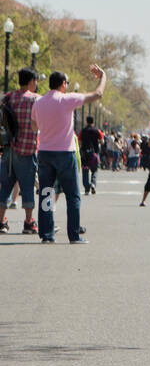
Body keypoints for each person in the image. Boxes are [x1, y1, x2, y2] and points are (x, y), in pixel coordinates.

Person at [32, 66, 106, 243]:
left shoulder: (39, 102)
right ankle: (73, 235)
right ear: (63, 84)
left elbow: (35, 127)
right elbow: (97, 94)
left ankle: (47, 234)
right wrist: (103, 77)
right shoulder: (67, 100)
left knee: (46, 193)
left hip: (45, 152)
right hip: (65, 153)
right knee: (72, 196)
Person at [0, 68, 43, 234]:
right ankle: (28, 222)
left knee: (5, 186)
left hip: (9, 149)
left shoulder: (8, 98)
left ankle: (1, 221)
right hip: (28, 149)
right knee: (27, 188)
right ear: (32, 81)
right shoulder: (36, 100)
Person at [79, 116, 103, 195]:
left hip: (84, 153)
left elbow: (79, 142)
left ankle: (86, 188)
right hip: (94, 153)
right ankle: (93, 183)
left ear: (86, 121)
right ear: (93, 122)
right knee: (94, 170)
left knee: (85, 170)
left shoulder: (83, 131)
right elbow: (102, 141)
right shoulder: (97, 131)